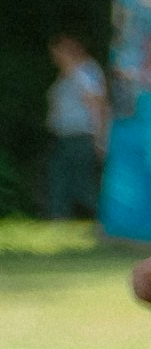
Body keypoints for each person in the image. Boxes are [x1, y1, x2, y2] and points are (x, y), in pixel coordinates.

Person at [51, 36, 113, 228]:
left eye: (58, 53)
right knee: (64, 177)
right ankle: (59, 216)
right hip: (68, 136)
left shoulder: (84, 72)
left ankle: (105, 215)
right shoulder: (69, 74)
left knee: (78, 181)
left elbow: (97, 103)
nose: (55, 58)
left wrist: (100, 137)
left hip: (81, 136)